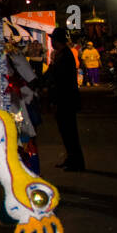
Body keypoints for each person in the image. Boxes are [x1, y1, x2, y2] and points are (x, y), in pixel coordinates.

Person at [38, 27, 85, 172]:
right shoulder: (60, 54)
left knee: (70, 132)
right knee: (66, 132)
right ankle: (71, 159)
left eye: (52, 39)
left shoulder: (65, 56)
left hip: (66, 100)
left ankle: (76, 162)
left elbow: (60, 80)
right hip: (63, 99)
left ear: (57, 40)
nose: (51, 41)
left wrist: (51, 95)